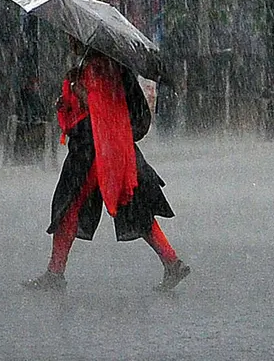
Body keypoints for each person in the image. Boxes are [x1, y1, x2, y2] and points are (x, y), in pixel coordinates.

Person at [22, 36, 190, 292]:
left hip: (94, 151)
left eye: (72, 39)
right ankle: (171, 261)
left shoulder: (98, 67)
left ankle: (55, 274)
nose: (70, 43)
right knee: (134, 207)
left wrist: (80, 92)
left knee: (68, 207)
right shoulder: (108, 66)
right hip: (115, 148)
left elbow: (99, 107)